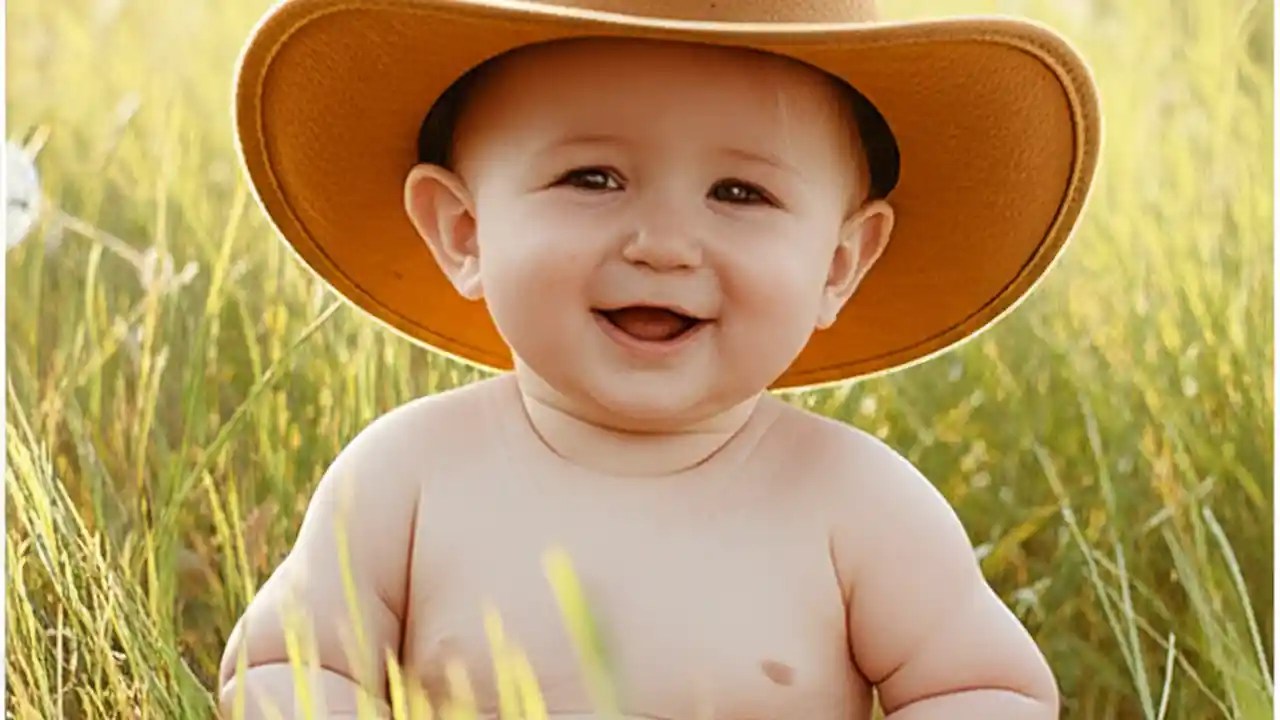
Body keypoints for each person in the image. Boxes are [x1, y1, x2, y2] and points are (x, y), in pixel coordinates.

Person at [218, 0, 1101, 717]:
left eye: (740, 192)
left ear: (838, 264)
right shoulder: (404, 479)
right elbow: (283, 669)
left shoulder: (859, 507)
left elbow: (988, 690)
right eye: (592, 178)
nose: (665, 244)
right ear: (464, 230)